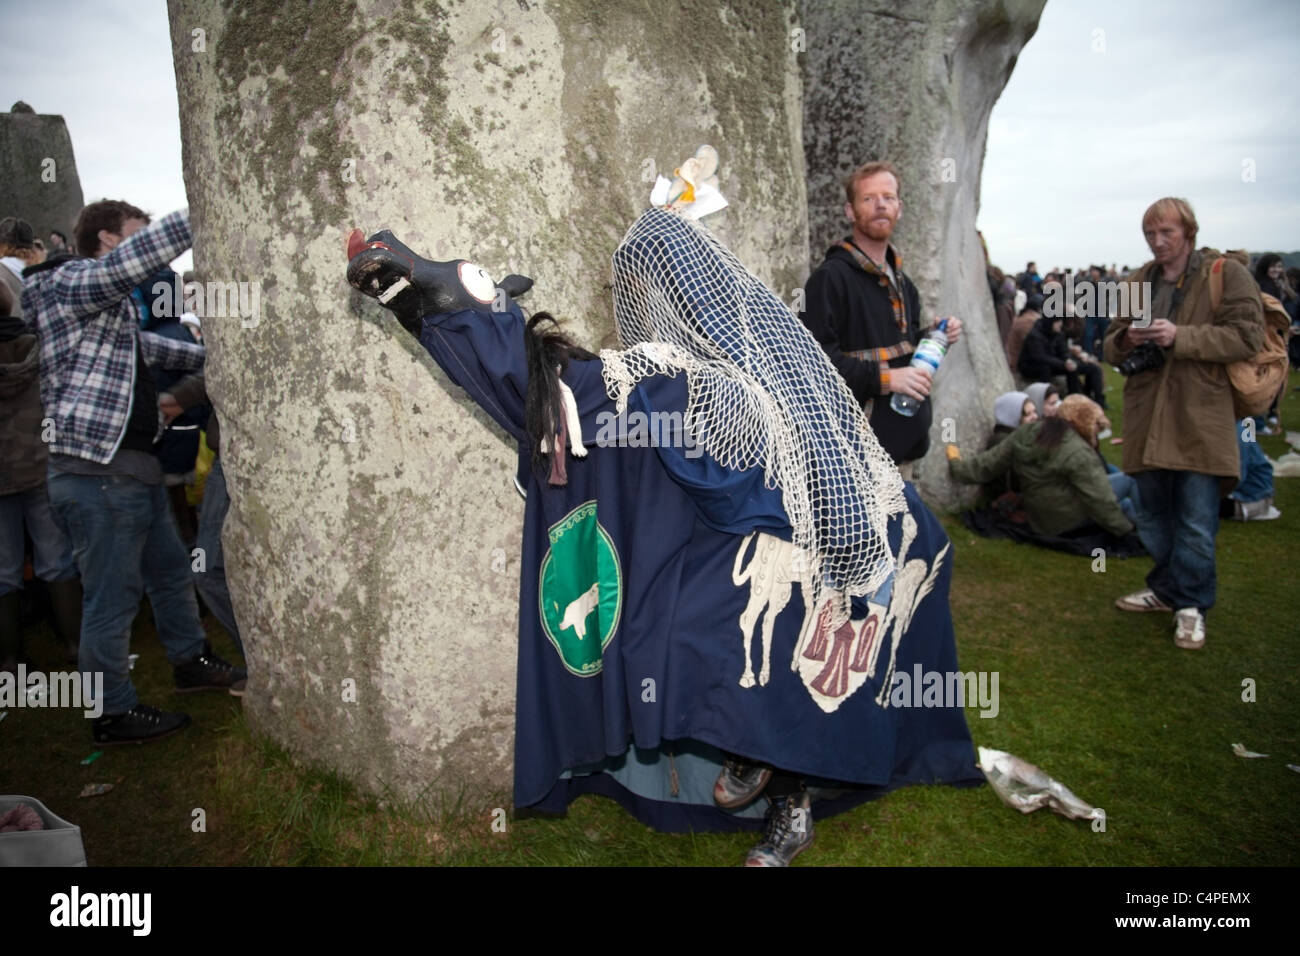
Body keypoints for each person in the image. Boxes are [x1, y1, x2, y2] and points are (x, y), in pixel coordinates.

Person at [346, 194, 982, 866]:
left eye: (650, 289)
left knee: (724, 636)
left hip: (842, 558)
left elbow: (585, 399)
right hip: (751, 548)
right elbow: (573, 405)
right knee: (676, 627)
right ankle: (751, 751)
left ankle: (790, 796)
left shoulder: (720, 390)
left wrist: (456, 304)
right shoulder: (680, 381)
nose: (641, 307)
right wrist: (429, 308)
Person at [24, 201, 245, 745]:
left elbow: (148, 347)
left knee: (170, 575)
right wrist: (213, 203)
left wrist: (222, 353)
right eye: (135, 235)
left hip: (131, 469)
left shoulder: (105, 314)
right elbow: (136, 261)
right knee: (111, 597)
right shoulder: (71, 283)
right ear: (105, 240)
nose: (143, 247)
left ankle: (190, 661)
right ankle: (112, 712)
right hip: (99, 472)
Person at [1102, 197, 1264, 650]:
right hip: (1146, 413)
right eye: (1150, 233)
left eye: (1166, 233)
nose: (1157, 241)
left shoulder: (1224, 274)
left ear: (1188, 232)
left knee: (1195, 517)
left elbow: (1247, 336)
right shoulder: (1138, 280)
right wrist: (1128, 338)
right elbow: (1111, 347)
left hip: (1200, 415)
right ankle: (1167, 588)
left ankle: (1191, 606)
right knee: (1153, 515)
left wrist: (1180, 337)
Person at [802, 161, 962, 477]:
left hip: (901, 456)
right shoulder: (829, 279)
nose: (880, 205)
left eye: (888, 197)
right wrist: (886, 379)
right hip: (852, 459)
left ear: (899, 209)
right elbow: (810, 363)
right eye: (869, 198)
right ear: (850, 211)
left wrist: (936, 335)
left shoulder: (904, 284)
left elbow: (901, 350)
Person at [947, 394, 1133, 540]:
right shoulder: (1078, 451)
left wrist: (955, 461)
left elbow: (984, 466)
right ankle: (1153, 530)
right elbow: (1099, 500)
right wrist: (1125, 532)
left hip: (1039, 519)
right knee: (1132, 480)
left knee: (1123, 495)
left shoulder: (1025, 433)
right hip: (1067, 522)